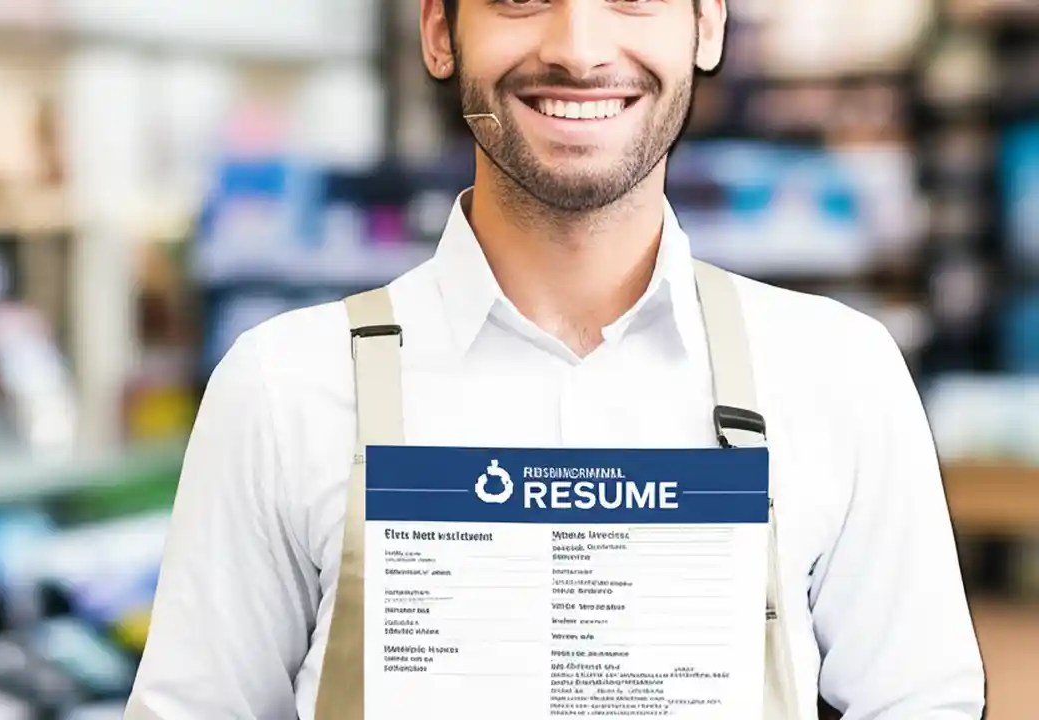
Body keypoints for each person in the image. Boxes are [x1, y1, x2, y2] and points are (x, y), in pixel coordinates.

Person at [124, 1, 986, 718]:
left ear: (707, 25)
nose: (578, 48)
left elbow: (920, 702)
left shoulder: (840, 375)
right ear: (439, 31)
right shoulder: (281, 387)